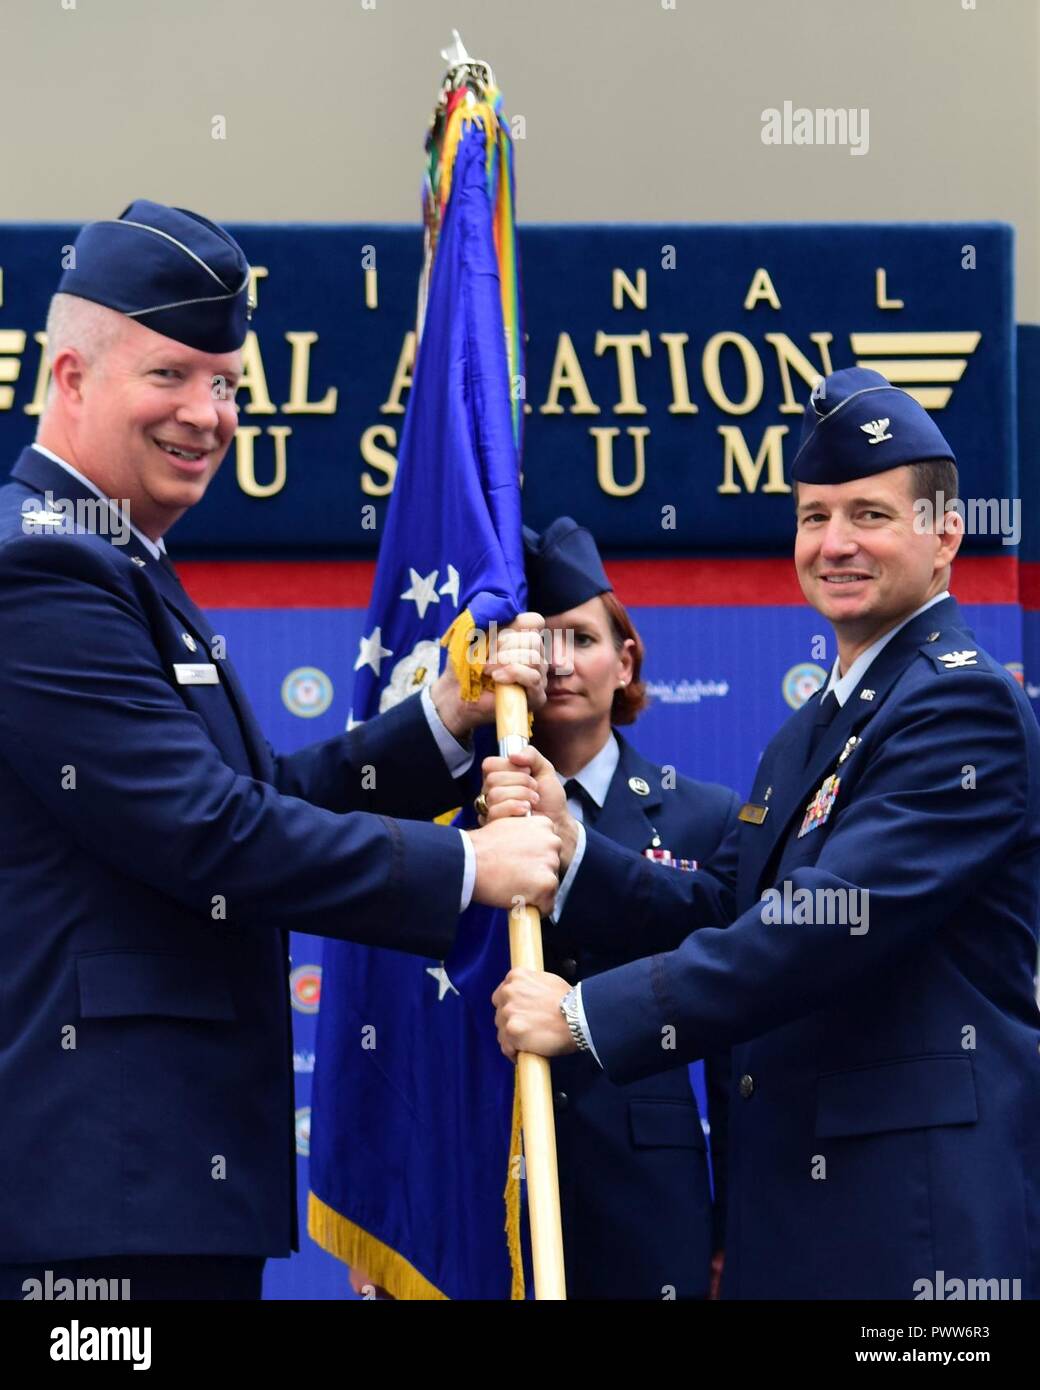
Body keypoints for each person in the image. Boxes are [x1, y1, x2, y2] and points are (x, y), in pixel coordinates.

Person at [0, 200, 558, 1301]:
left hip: (152, 1193)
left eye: (228, 383)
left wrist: (441, 721)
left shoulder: (120, 562)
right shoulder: (43, 573)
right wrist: (466, 868)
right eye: (172, 374)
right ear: (69, 377)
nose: (207, 413)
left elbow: (251, 796)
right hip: (95, 1210)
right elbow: (207, 833)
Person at [489, 367, 1040, 1299]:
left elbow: (818, 928)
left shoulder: (961, 703)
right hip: (799, 1227)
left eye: (869, 514)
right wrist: (571, 851)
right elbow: (719, 903)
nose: (834, 544)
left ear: (944, 534)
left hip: (915, 1236)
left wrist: (586, 1018)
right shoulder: (809, 730)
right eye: (814, 515)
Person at [479, 518, 738, 1299]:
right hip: (483, 1174)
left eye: (582, 640)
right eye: (539, 644)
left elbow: (737, 1025)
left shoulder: (703, 816)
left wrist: (734, 1223)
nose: (559, 665)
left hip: (647, 1194)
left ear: (625, 659)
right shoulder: (453, 817)